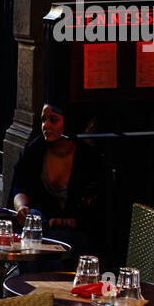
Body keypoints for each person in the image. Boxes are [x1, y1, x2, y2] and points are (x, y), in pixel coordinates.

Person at [10, 102, 109, 263]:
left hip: (77, 234)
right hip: (41, 230)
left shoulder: (90, 158)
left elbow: (98, 207)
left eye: (53, 120)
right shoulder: (34, 151)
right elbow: (20, 186)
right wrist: (21, 207)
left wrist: (72, 221)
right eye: (43, 120)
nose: (46, 125)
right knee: (35, 222)